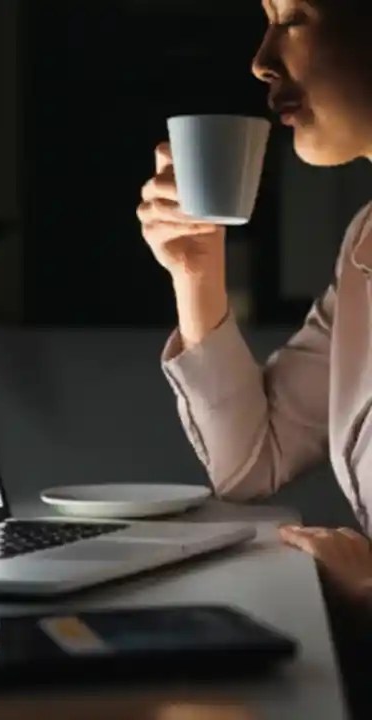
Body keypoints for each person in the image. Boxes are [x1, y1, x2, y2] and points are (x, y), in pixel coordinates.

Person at [136, 0, 372, 710]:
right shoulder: (367, 244)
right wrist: (196, 272)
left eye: (294, 15)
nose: (261, 59)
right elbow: (251, 460)